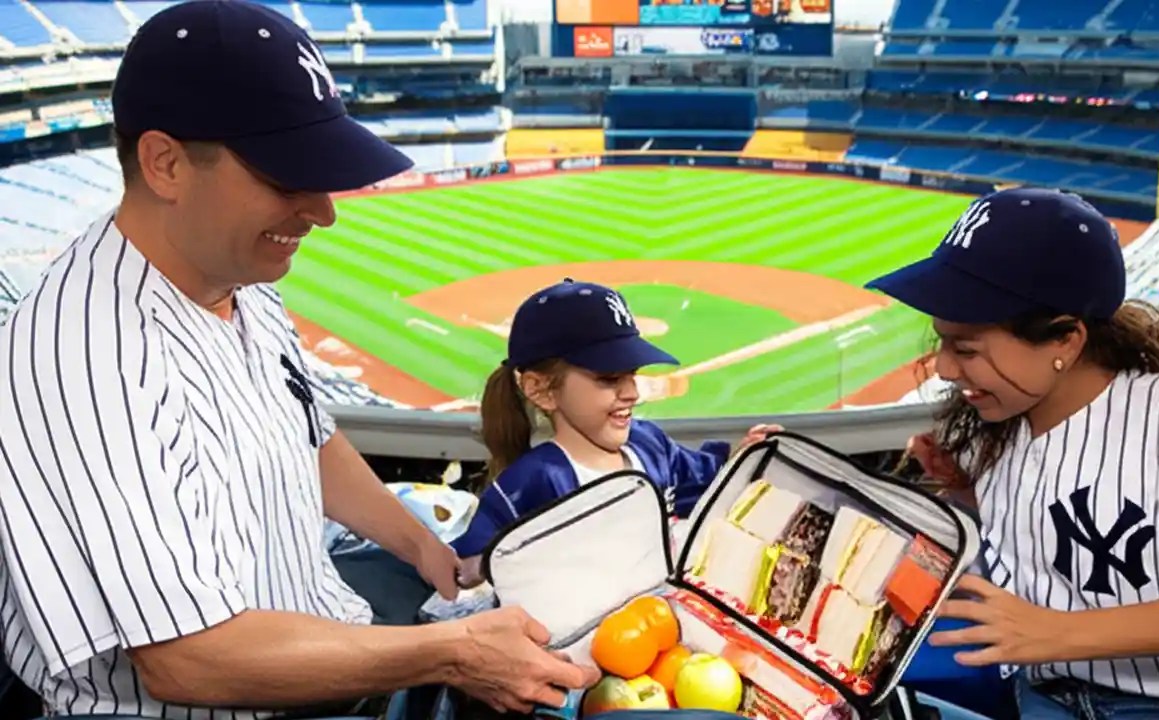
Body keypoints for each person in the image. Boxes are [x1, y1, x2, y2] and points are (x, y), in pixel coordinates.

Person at [0, 1, 597, 717]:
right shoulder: (88, 358)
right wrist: (457, 650)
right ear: (165, 163)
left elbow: (306, 436)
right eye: (288, 177)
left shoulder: (235, 279)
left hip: (315, 638)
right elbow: (189, 660)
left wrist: (422, 547)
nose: (323, 211)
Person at [867, 187, 1159, 717]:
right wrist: (967, 490)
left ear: (1065, 340)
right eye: (943, 341)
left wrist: (1058, 632)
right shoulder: (1002, 416)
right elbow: (1066, 531)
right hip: (1044, 700)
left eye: (966, 348)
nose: (945, 368)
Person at [452, 279, 779, 583]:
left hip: (660, 626)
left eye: (632, 374)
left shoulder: (648, 444)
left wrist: (745, 455)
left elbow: (707, 480)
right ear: (541, 390)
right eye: (609, 379)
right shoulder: (535, 481)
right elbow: (468, 566)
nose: (632, 393)